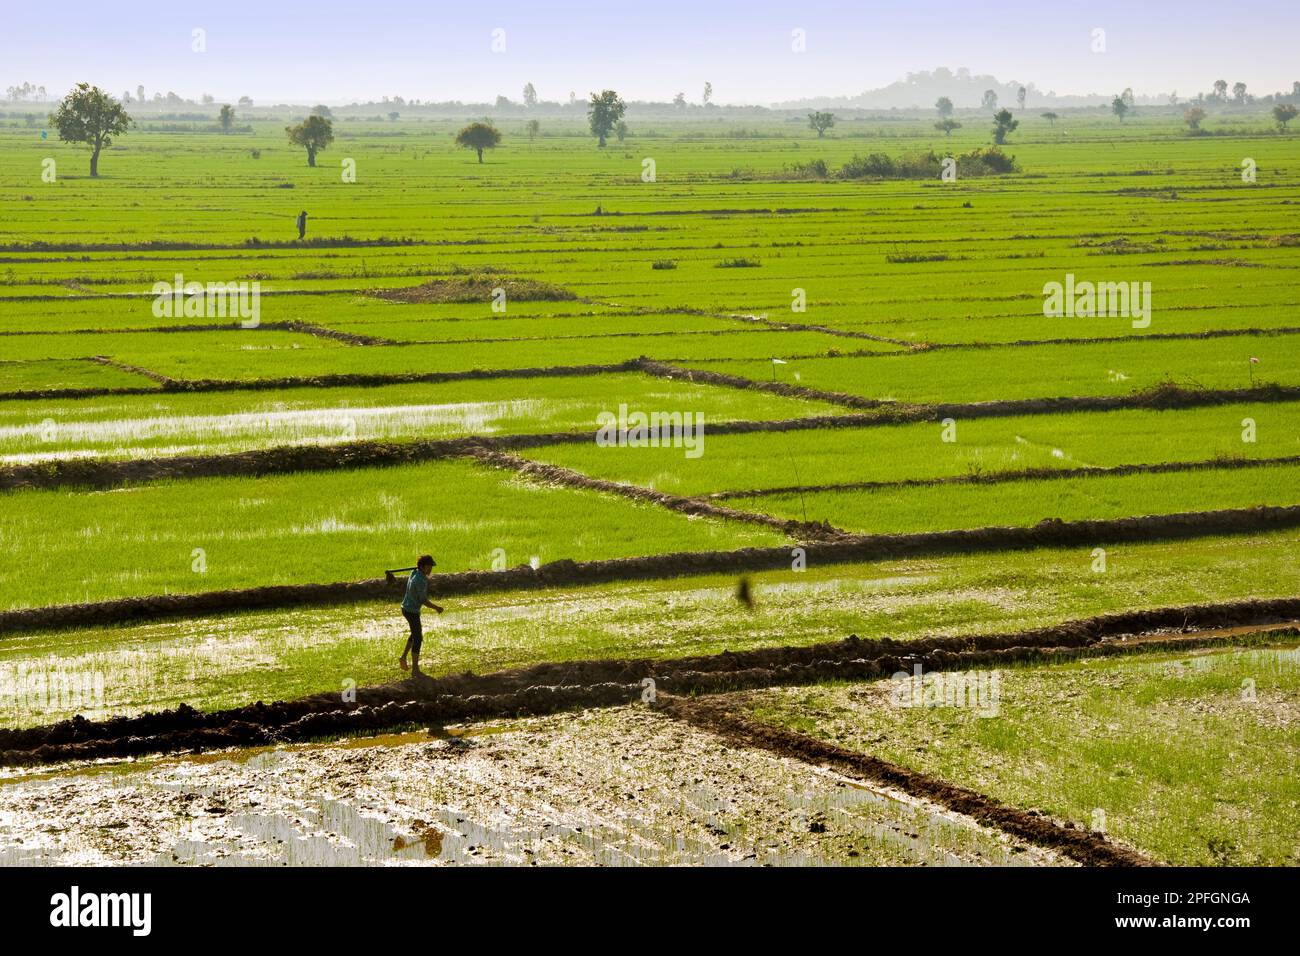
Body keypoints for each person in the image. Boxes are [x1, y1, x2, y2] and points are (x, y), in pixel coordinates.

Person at [399, 555, 443, 676]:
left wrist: (419, 567)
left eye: (431, 567)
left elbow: (416, 570)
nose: (430, 570)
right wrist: (437, 608)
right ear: (422, 567)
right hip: (411, 611)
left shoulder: (414, 572)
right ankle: (415, 670)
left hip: (406, 608)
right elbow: (423, 600)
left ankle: (403, 658)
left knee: (415, 633)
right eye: (428, 567)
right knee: (418, 638)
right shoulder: (421, 581)